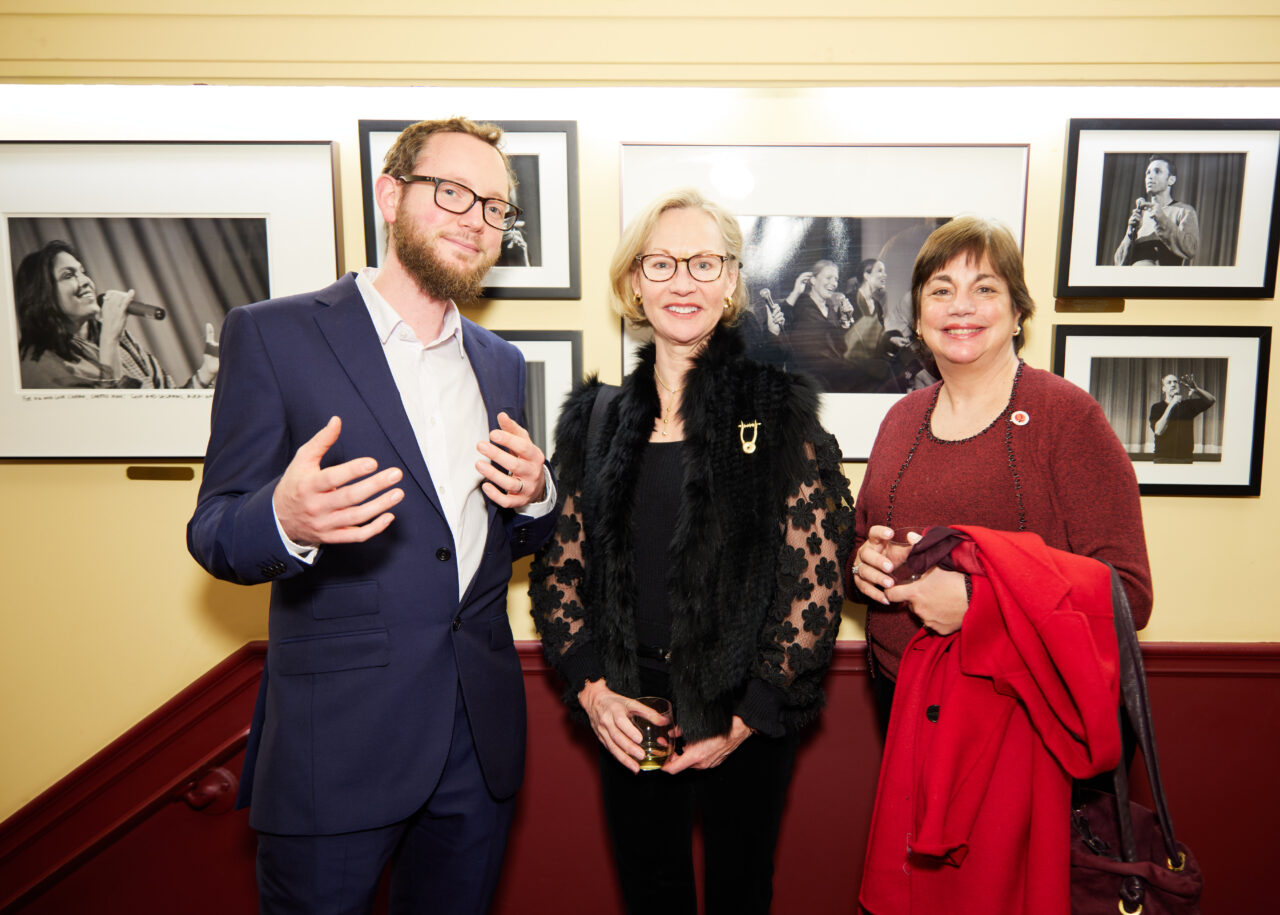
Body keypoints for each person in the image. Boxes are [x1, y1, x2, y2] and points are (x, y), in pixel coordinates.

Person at [187, 117, 558, 914]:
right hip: (336, 748)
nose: (476, 218)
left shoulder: (500, 364)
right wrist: (285, 519)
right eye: (452, 192)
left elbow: (486, 541)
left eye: (496, 207)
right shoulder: (274, 333)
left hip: (477, 744)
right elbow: (213, 527)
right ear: (390, 195)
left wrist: (539, 497)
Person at [529, 189, 853, 915]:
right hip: (628, 710)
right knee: (652, 897)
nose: (684, 281)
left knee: (741, 896)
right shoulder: (596, 418)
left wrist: (748, 713)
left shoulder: (778, 408)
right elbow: (560, 569)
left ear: (732, 280)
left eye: (704, 263)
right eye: (663, 263)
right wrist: (591, 688)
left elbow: (817, 577)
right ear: (634, 281)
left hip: (745, 709)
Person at [847, 216, 1153, 913]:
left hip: (1030, 721)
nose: (961, 306)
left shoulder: (1065, 418)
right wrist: (860, 566)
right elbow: (867, 536)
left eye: (984, 288)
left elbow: (1126, 596)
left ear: (1017, 309)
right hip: (910, 712)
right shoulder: (902, 419)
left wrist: (981, 605)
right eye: (941, 289)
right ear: (918, 314)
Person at [14, 239, 219, 389]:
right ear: (41, 294)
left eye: (83, 271)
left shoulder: (115, 336)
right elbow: (109, 422)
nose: (86, 281)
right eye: (68, 275)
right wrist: (109, 340)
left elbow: (168, 403)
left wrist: (205, 374)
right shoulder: (37, 366)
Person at [780, 259, 858, 390]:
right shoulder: (800, 303)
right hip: (808, 373)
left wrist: (844, 320)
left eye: (836, 280)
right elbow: (780, 323)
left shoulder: (831, 309)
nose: (833, 284)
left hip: (832, 370)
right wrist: (795, 292)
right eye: (828, 278)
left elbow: (841, 346)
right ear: (813, 280)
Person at [1113, 154, 1200, 266]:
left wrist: (1162, 219)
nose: (1150, 176)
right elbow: (1118, 263)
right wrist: (1130, 234)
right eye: (1148, 173)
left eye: (1157, 171)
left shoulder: (1184, 211)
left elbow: (1190, 249)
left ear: (1171, 180)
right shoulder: (1141, 216)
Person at [1150, 371, 1217, 462]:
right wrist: (1172, 404)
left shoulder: (1188, 405)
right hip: (1162, 458)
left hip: (1186, 458)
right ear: (1164, 389)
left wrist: (1196, 389)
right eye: (1169, 383)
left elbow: (1211, 400)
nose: (1173, 384)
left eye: (1175, 382)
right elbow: (1158, 431)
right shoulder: (1156, 407)